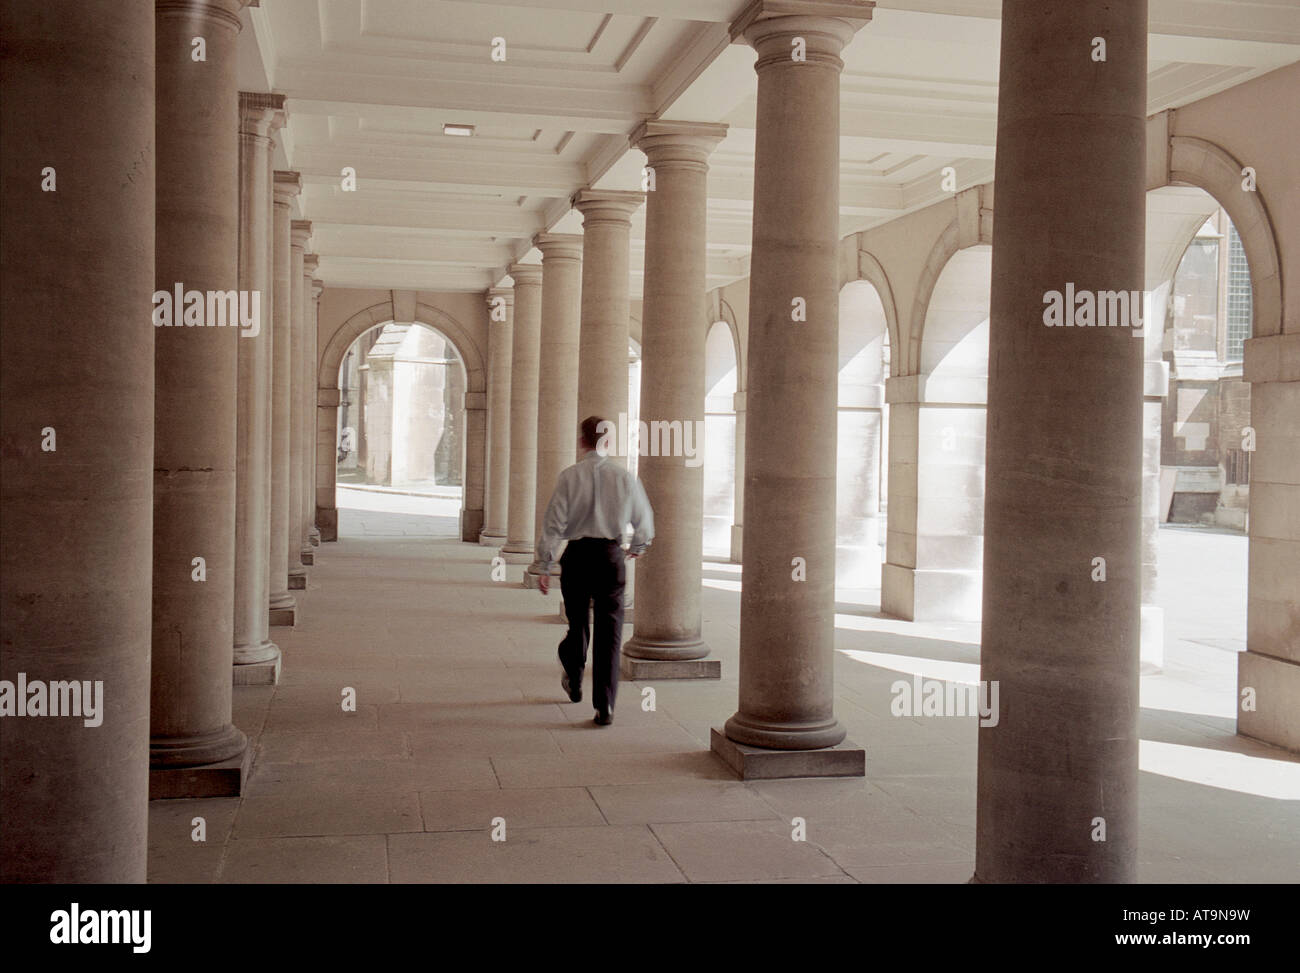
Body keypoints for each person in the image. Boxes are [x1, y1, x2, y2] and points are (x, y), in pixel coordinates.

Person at [536, 415, 654, 726]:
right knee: (610, 632)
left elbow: (553, 523)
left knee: (577, 623)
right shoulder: (626, 478)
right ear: (609, 442)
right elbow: (644, 522)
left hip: (577, 555)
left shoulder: (568, 476)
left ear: (582, 441)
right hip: (609, 556)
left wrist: (546, 563)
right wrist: (636, 548)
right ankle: (605, 706)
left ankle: (574, 675)